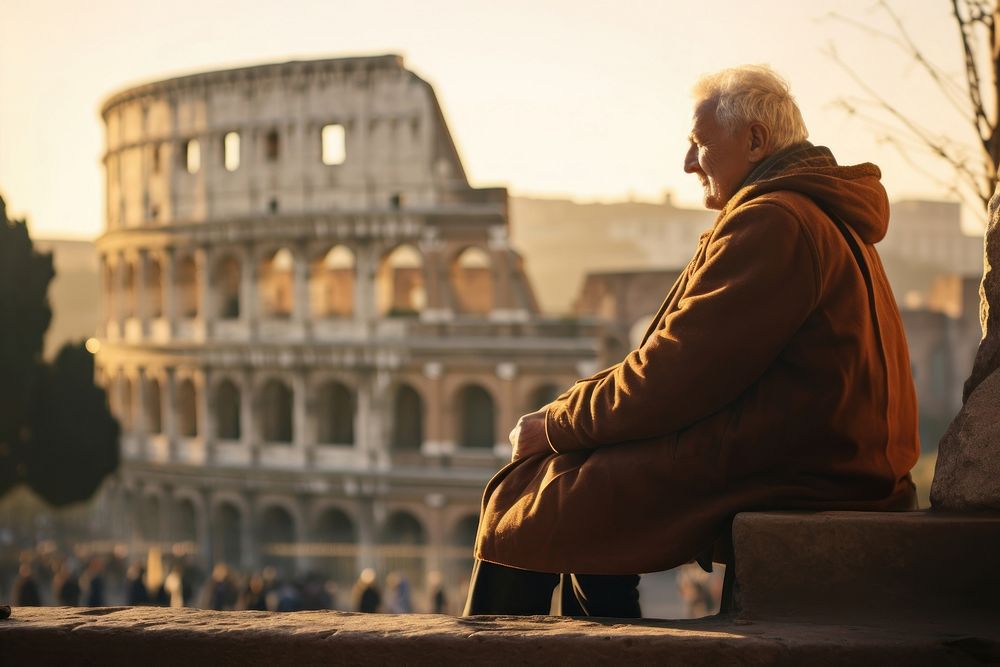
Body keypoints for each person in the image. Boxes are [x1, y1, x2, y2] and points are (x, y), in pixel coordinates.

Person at [464, 65, 919, 618]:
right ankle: (604, 633)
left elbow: (673, 375)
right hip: (826, 450)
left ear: (755, 140)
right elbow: (681, 364)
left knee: (530, 498)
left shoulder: (775, 220)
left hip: (809, 464)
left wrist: (557, 424)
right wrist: (574, 421)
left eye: (699, 145)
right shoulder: (803, 211)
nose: (685, 163)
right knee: (581, 474)